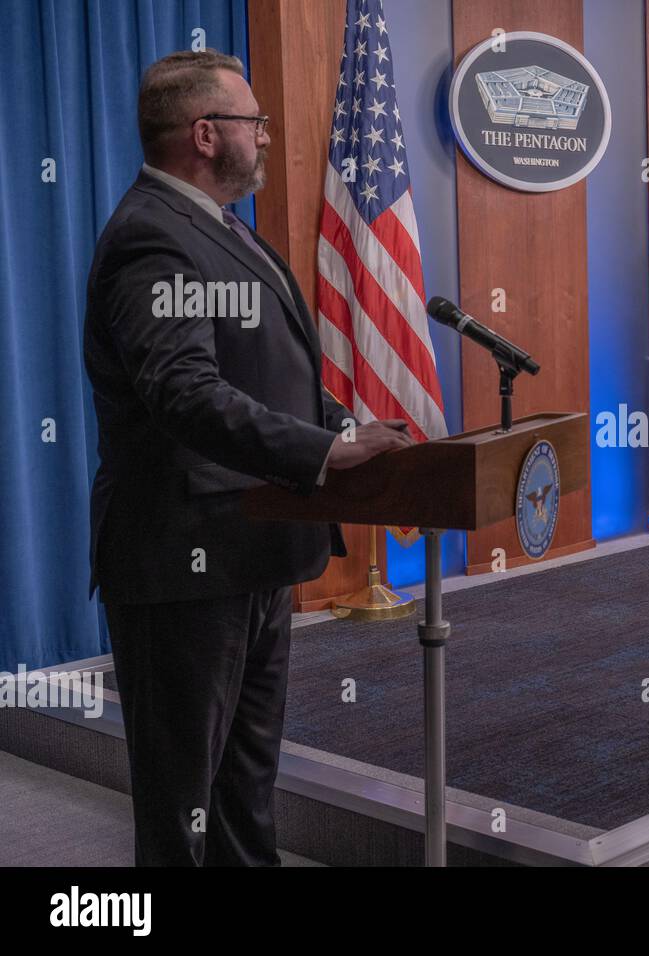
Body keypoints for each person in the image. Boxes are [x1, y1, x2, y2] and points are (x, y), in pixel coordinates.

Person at [83, 50, 413, 865]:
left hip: (252, 551)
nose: (266, 136)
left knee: (243, 797)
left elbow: (268, 375)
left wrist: (347, 422)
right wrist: (326, 451)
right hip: (183, 563)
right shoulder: (150, 239)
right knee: (181, 812)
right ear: (204, 133)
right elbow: (186, 395)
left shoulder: (227, 230)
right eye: (252, 122)